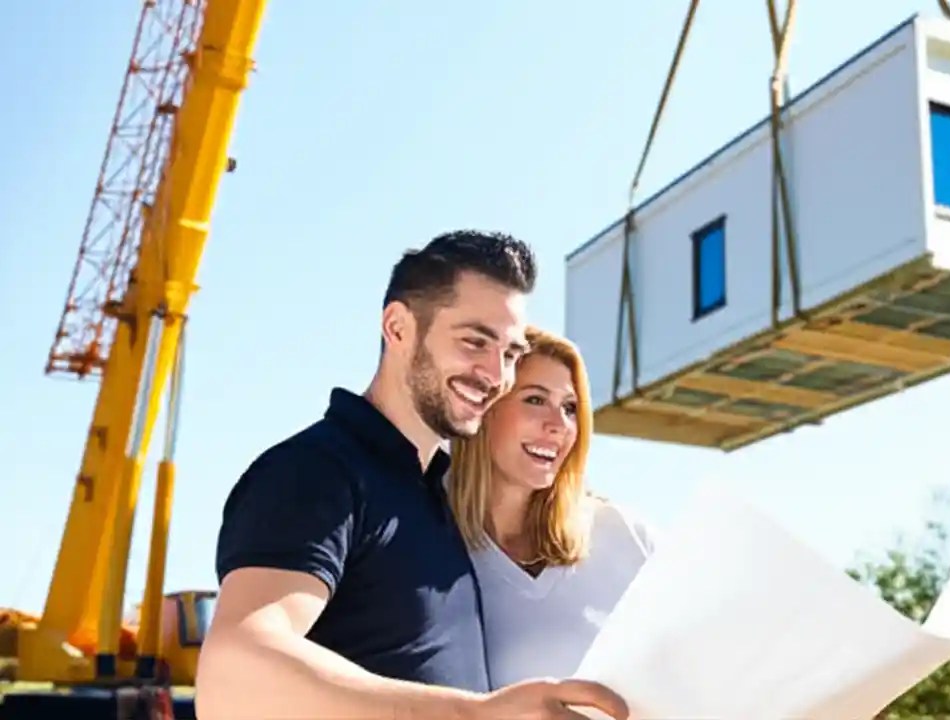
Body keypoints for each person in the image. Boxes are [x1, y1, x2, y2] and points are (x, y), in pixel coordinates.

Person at [196, 231, 629, 720]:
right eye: (474, 342)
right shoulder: (317, 472)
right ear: (398, 328)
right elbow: (232, 677)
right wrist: (478, 715)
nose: (495, 374)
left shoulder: (433, 492)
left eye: (509, 353)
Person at [447, 326, 658, 689]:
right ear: (485, 408)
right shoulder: (421, 538)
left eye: (570, 408)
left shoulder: (626, 535)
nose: (558, 425)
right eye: (534, 399)